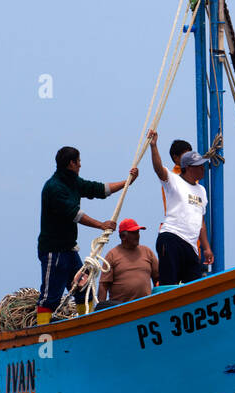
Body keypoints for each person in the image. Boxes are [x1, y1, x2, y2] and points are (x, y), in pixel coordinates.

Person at [36, 146, 134, 324]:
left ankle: (86, 325)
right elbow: (75, 214)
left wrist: (127, 182)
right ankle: (42, 332)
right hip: (54, 251)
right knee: (50, 297)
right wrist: (101, 225)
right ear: (71, 163)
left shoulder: (73, 181)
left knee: (83, 289)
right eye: (78, 161)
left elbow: (98, 189)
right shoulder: (54, 188)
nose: (80, 165)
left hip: (69, 250)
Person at [148, 130, 212, 284]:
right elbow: (158, 169)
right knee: (169, 283)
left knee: (195, 286)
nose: (203, 169)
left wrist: (206, 248)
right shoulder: (174, 181)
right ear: (188, 167)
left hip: (191, 246)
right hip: (172, 238)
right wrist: (154, 146)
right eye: (199, 166)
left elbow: (201, 222)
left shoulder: (201, 190)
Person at [97, 218, 159, 307]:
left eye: (138, 232)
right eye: (134, 233)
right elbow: (103, 285)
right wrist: (101, 309)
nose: (137, 236)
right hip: (121, 309)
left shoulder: (147, 251)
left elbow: (158, 278)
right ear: (123, 236)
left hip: (145, 306)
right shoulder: (112, 255)